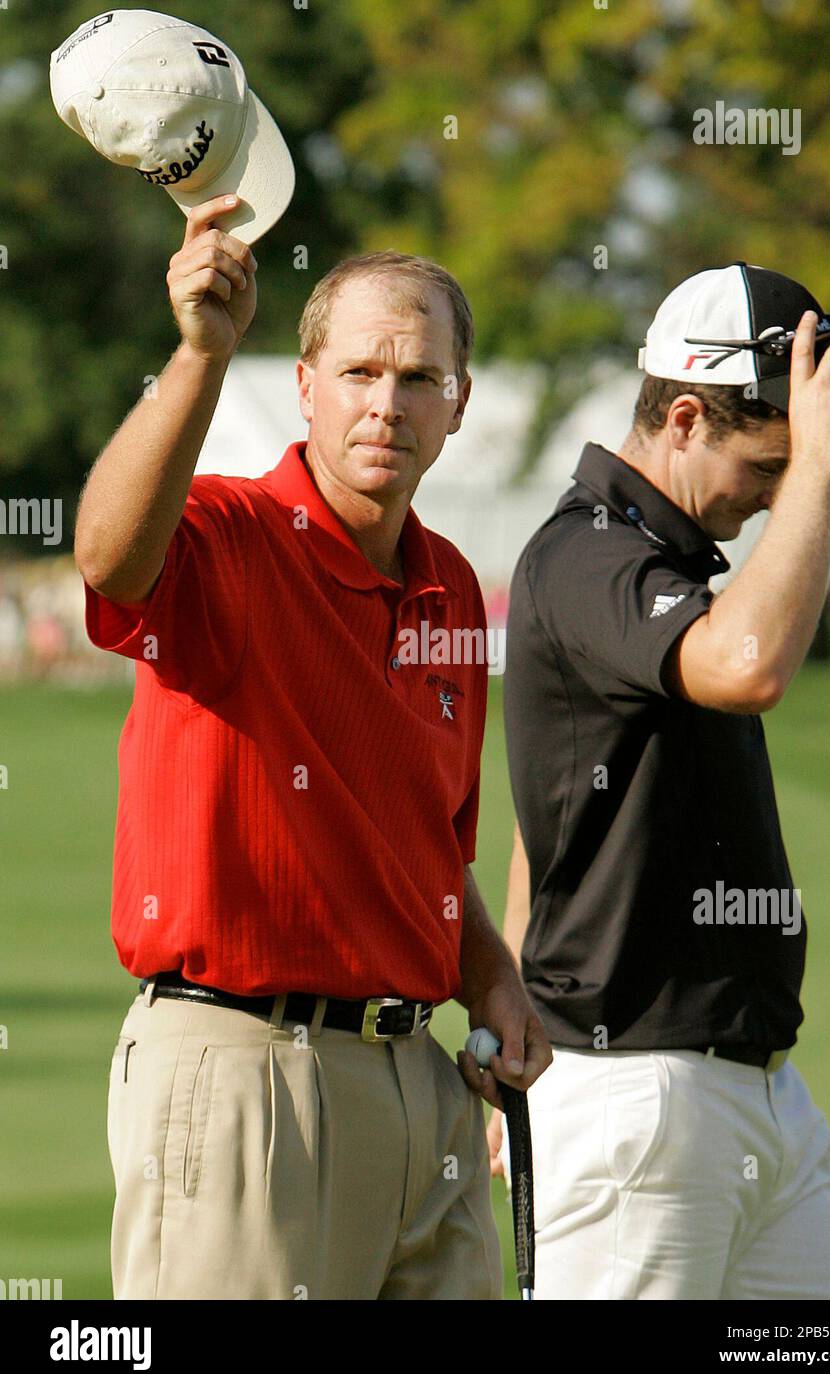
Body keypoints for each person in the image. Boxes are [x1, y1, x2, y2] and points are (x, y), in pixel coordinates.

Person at [75, 192, 550, 1300]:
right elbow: (106, 559)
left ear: (459, 404)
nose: (388, 404)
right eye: (360, 373)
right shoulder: (230, 535)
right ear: (304, 386)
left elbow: (428, 847)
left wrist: (490, 977)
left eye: (420, 378)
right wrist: (198, 356)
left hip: (418, 1082)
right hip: (244, 1069)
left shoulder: (448, 584)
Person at [493, 262, 830, 1300]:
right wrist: (822, 475)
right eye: (766, 464)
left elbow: (546, 821)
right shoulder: (586, 555)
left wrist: (510, 1000)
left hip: (752, 1089)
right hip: (638, 1095)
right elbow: (748, 665)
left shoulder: (664, 567)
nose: (771, 493)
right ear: (681, 415)